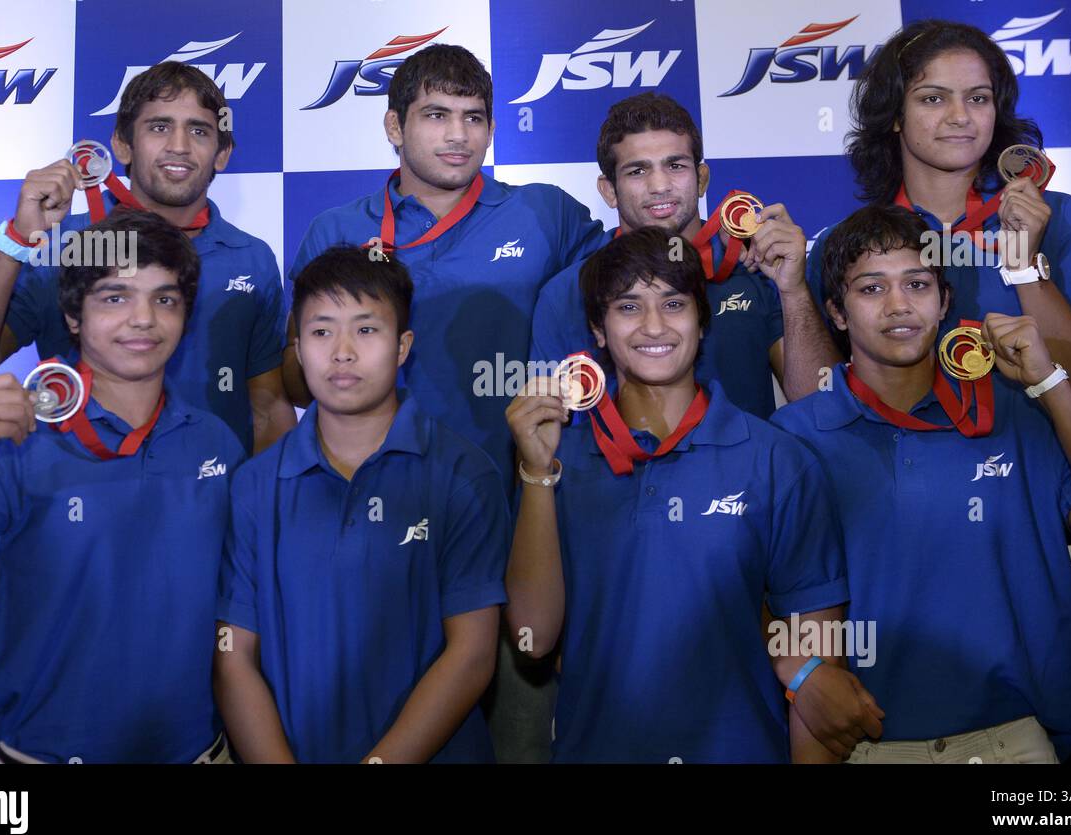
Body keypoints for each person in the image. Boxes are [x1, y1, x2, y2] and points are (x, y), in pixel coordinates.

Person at [806, 18, 1071, 762]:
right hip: (904, 559)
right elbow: (824, 407)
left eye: (979, 97)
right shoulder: (858, 242)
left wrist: (1027, 269)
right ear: (895, 114)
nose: (960, 116)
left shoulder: (1059, 222)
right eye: (934, 97)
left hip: (1048, 547)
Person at [286, 42, 603, 763]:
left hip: (524, 535)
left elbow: (629, 297)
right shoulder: (336, 232)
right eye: (436, 116)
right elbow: (293, 379)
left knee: (525, 744)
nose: (458, 135)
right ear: (394, 127)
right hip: (380, 543)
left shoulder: (546, 215)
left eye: (474, 117)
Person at [772, 205, 1071, 762]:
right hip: (868, 743)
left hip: (1017, 742)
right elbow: (743, 591)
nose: (898, 305)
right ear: (836, 313)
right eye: (870, 288)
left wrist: (1051, 385)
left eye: (917, 283)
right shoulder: (794, 437)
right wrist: (803, 667)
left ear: (945, 300)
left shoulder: (1014, 413)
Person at [505, 227, 884, 762]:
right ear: (597, 329)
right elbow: (533, 638)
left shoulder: (776, 459)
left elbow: (818, 670)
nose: (654, 326)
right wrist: (536, 474)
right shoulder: (560, 456)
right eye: (628, 306)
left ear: (702, 322)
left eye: (674, 303)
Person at [0, 209, 245, 763]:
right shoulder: (13, 439)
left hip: (200, 753)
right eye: (115, 296)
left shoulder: (215, 444)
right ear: (73, 317)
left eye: (165, 299)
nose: (143, 318)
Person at [214, 246, 508, 763]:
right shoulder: (254, 485)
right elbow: (234, 656)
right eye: (322, 331)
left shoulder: (463, 474)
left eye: (366, 330)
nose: (342, 352)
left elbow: (473, 654)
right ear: (298, 349)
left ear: (402, 346)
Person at [0, 61, 295, 454]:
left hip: (208, 502)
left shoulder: (251, 258)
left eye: (199, 130)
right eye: (159, 127)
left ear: (222, 154)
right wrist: (18, 240)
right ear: (122, 144)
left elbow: (267, 405)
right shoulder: (65, 244)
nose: (179, 146)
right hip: (76, 494)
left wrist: (270, 509)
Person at [532, 93, 841, 415]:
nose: (660, 185)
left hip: (749, 466)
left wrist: (793, 291)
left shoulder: (755, 265)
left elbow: (824, 409)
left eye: (675, 165)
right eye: (637, 171)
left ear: (702, 178)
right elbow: (550, 429)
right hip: (618, 466)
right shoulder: (568, 292)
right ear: (609, 190)